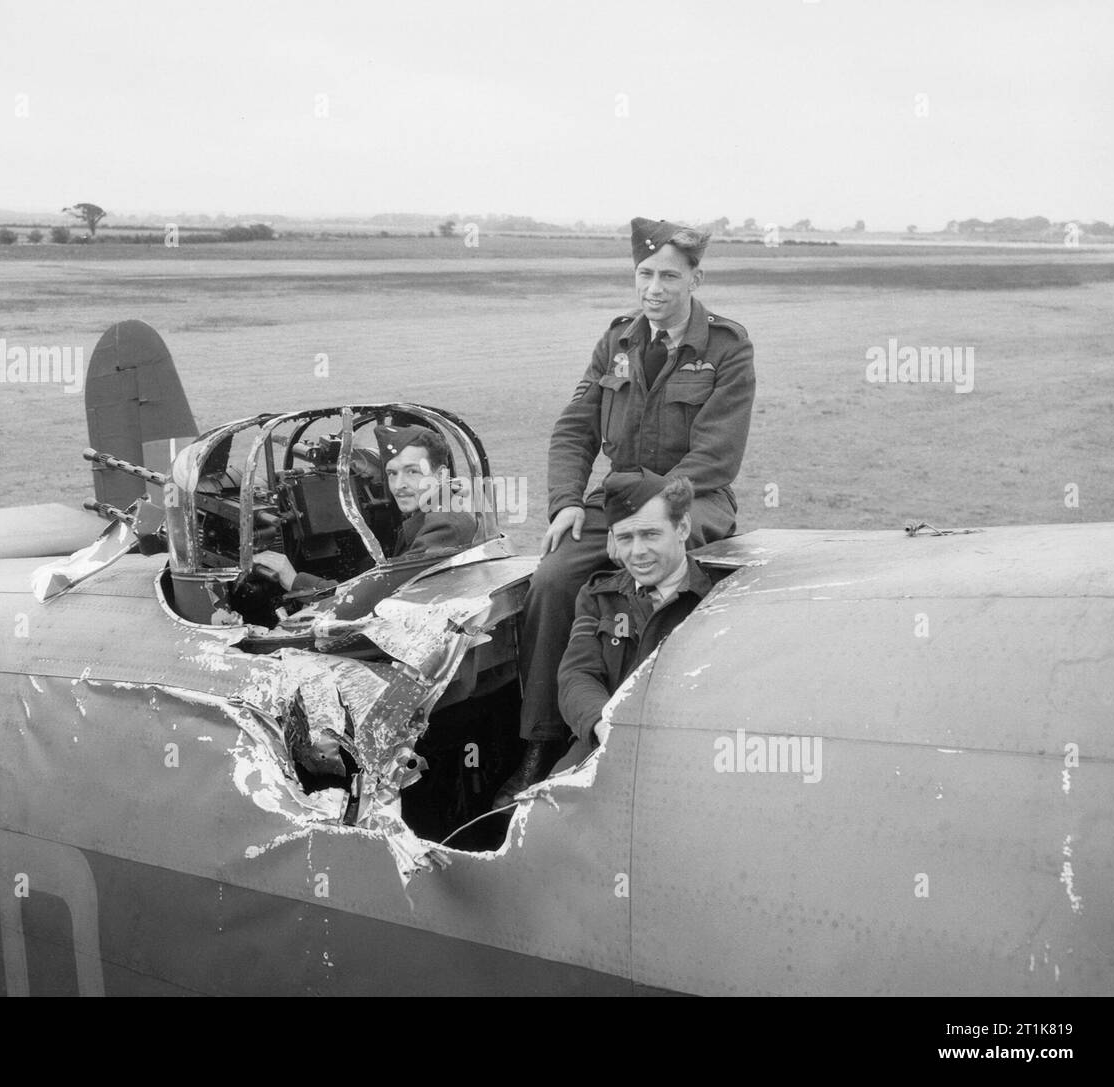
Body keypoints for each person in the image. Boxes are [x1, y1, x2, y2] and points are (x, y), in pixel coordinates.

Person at [495, 216, 755, 805]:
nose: (654, 288)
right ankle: (539, 742)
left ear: (695, 277)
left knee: (663, 567)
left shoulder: (727, 348)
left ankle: (655, 731)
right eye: (644, 274)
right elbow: (573, 431)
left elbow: (716, 455)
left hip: (696, 496)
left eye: (669, 275)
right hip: (614, 501)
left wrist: (643, 517)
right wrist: (565, 504)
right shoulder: (616, 342)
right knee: (555, 577)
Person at [557, 471, 715, 749]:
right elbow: (577, 675)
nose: (638, 551)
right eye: (625, 538)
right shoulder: (598, 597)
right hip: (604, 742)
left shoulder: (717, 597)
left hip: (692, 745)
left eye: (650, 534)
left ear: (682, 528)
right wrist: (604, 726)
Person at [247, 425, 477, 593]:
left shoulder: (445, 525)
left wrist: (293, 578)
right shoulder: (436, 509)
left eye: (413, 471)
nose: (399, 486)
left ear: (441, 475)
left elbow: (383, 600)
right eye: (392, 473)